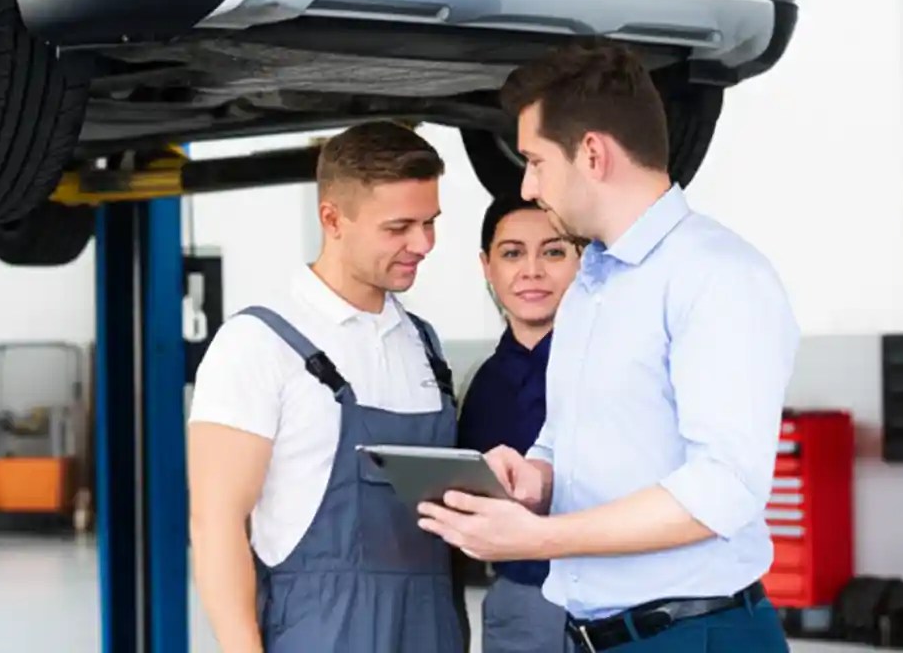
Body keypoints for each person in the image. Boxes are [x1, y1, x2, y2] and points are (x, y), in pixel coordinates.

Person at [418, 39, 800, 652]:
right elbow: (572, 438)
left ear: (591, 153)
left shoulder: (718, 276)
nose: (529, 184)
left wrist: (538, 539)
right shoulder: (596, 283)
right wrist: (533, 476)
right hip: (596, 636)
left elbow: (722, 489)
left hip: (692, 635)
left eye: (537, 161)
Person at [187, 121, 467, 653]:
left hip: (432, 628)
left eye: (430, 222)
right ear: (332, 219)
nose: (423, 244)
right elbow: (216, 521)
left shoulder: (422, 343)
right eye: (399, 227)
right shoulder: (258, 343)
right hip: (321, 631)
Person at [458, 193, 580, 652]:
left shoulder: (618, 368)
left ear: (581, 260)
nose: (532, 270)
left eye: (553, 251)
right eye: (512, 253)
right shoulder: (481, 385)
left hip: (619, 599)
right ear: (487, 265)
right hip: (523, 603)